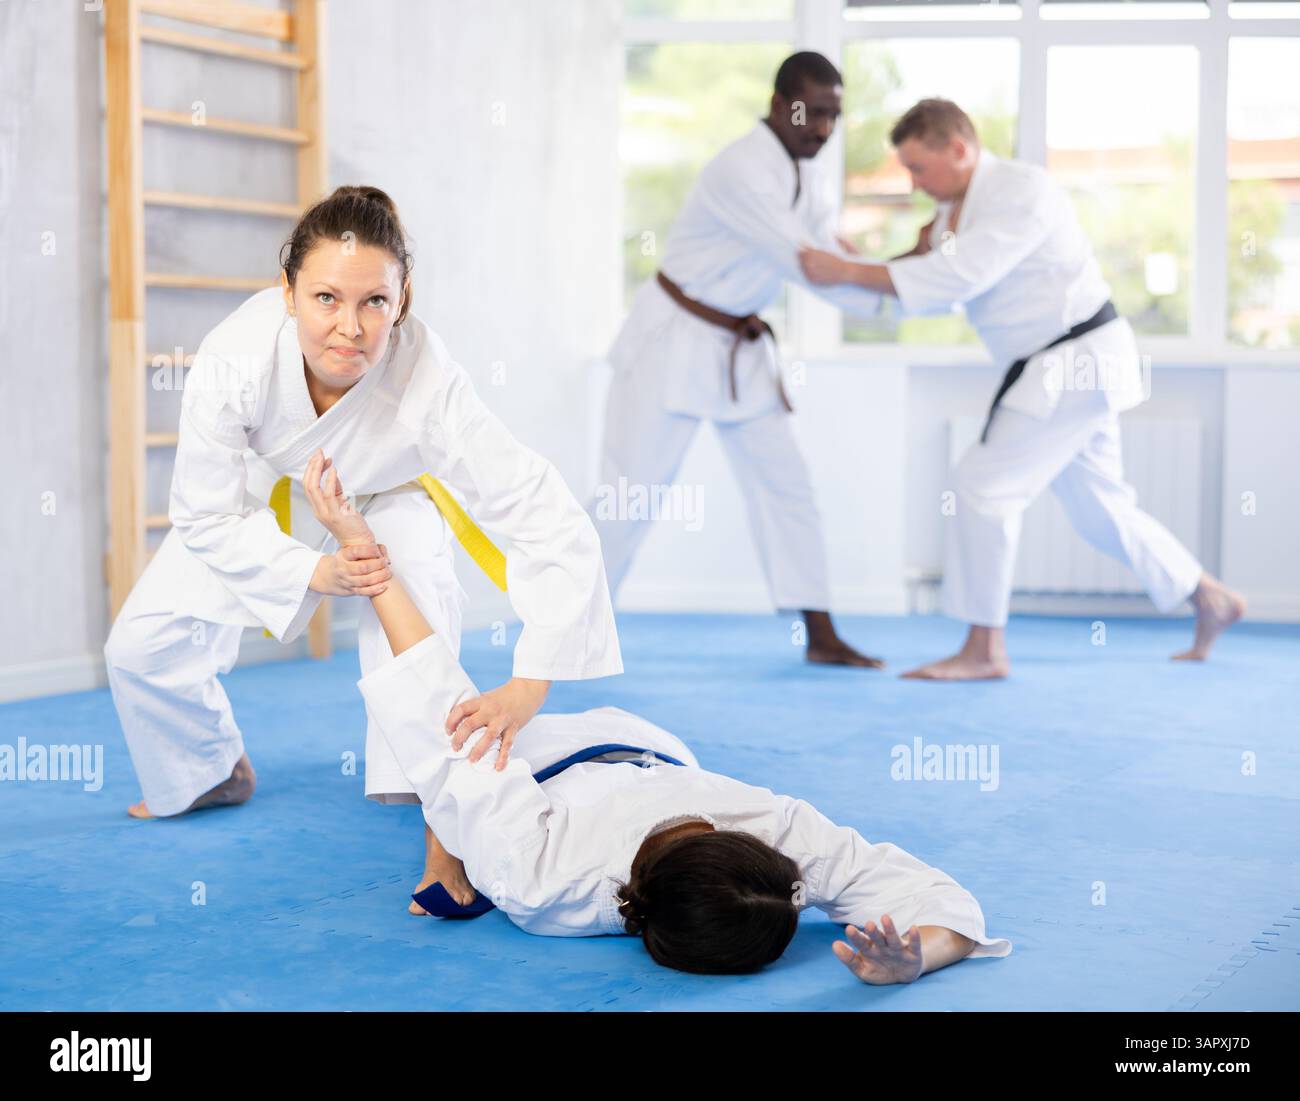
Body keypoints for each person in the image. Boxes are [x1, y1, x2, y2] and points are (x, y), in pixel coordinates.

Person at [301, 449, 1012, 981]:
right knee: (461, 775)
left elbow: (437, 698)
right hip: (644, 744)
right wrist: (918, 956)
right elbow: (944, 899)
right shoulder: (773, 834)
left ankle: (445, 832)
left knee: (450, 764)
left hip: (542, 766)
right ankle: (451, 821)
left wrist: (363, 551)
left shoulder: (537, 876)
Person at [103, 186, 622, 914]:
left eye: (374, 301)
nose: (349, 328)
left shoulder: (428, 380)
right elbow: (203, 509)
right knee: (139, 647)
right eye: (324, 298)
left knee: (415, 607)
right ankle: (208, 766)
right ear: (286, 293)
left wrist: (533, 679)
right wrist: (316, 568)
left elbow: (537, 504)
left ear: (403, 301)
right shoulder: (234, 356)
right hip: (269, 494)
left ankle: (452, 833)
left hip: (388, 494)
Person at [797, 99, 1245, 680]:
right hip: (1062, 368)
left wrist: (846, 271)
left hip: (1073, 362)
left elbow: (955, 278)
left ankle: (984, 649)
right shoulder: (958, 211)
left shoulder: (1019, 192)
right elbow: (922, 280)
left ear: (958, 148)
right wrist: (859, 264)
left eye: (919, 168)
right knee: (1100, 509)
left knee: (982, 487)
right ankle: (1209, 596)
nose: (914, 182)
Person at [593, 52, 890, 668]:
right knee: (630, 494)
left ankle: (821, 633)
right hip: (672, 339)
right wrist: (898, 285)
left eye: (836, 117)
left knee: (788, 485)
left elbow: (835, 250)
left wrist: (894, 281)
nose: (824, 130)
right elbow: (809, 263)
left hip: (739, 348)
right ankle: (572, 634)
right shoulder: (742, 170)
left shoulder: (811, 172)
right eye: (814, 114)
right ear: (782, 104)